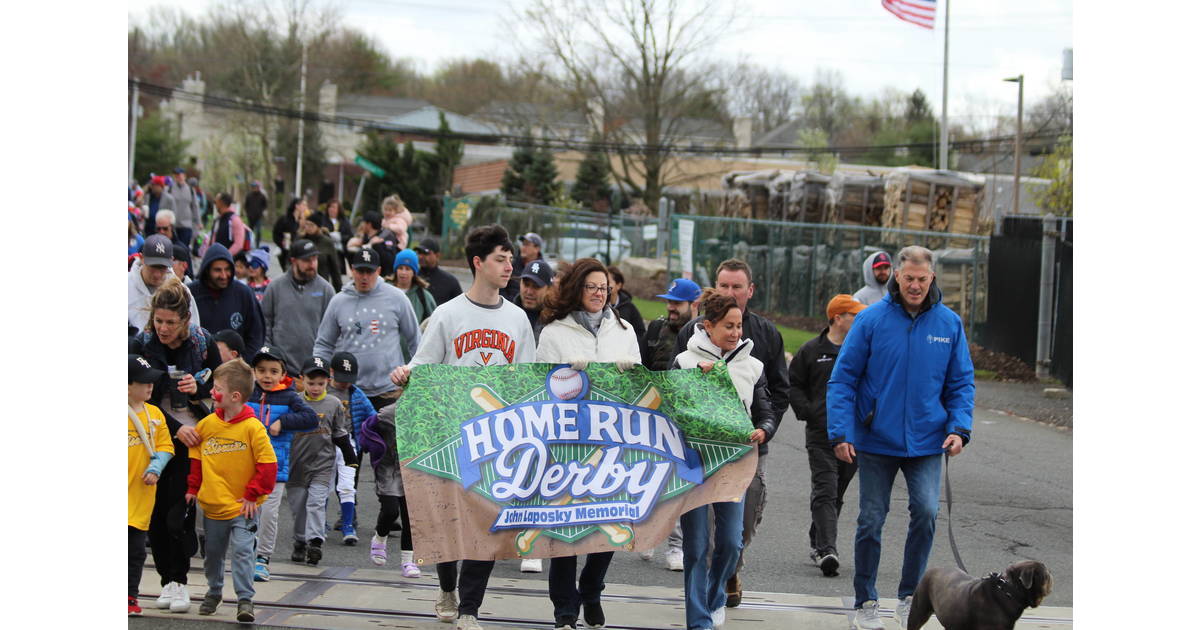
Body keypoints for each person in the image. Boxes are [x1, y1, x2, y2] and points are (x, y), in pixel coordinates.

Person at [390, 224, 537, 630]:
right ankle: (447, 588)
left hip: (498, 440)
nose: (509, 266)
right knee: (449, 522)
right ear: (478, 262)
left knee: (487, 523)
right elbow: (424, 366)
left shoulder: (518, 319)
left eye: (511, 259)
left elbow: (525, 380)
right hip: (451, 434)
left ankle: (470, 608)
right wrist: (405, 373)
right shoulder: (448, 313)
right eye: (500, 259)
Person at [826, 245, 975, 630]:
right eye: (908, 278)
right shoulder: (871, 320)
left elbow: (961, 383)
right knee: (871, 519)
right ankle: (866, 600)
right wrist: (842, 431)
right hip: (876, 439)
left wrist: (959, 429)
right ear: (896, 275)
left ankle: (910, 597)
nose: (914, 285)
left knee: (926, 512)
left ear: (932, 279)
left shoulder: (948, 324)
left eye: (921, 279)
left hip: (928, 440)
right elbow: (844, 378)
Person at [673, 259, 789, 608]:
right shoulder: (689, 342)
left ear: (749, 290)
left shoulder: (765, 337)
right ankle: (705, 604)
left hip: (746, 454)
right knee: (698, 538)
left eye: (737, 287)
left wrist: (763, 429)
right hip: (697, 459)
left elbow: (774, 394)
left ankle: (729, 571)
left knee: (736, 533)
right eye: (724, 286)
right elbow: (672, 394)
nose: (730, 292)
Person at [534, 257, 642, 630]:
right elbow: (540, 391)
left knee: (609, 525)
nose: (598, 294)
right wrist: (566, 378)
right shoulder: (554, 333)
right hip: (567, 446)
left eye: (604, 288)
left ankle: (592, 589)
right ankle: (565, 610)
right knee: (564, 529)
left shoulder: (624, 330)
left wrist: (629, 374)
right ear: (576, 289)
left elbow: (639, 390)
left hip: (613, 444)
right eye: (591, 287)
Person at [128, 278, 221, 614]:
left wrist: (197, 389)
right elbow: (136, 398)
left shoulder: (201, 341)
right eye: (158, 321)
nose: (163, 328)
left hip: (192, 435)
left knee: (178, 511)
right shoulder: (143, 344)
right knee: (155, 512)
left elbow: (217, 382)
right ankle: (167, 579)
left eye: (170, 322)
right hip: (152, 433)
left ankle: (180, 581)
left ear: (184, 320)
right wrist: (174, 428)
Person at [185, 359, 277, 623]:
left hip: (242, 506)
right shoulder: (206, 426)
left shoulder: (253, 428)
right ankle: (214, 592)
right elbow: (197, 459)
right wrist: (192, 488)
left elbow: (268, 465)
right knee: (212, 554)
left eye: (216, 388)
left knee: (243, 551)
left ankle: (245, 599)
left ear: (234, 396)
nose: (212, 392)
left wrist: (252, 494)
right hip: (213, 507)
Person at [789, 294, 866, 578]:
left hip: (854, 436)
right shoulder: (811, 351)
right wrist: (808, 411)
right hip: (821, 435)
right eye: (854, 315)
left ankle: (818, 536)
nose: (859, 320)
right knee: (826, 488)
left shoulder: (862, 351)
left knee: (837, 492)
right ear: (837, 318)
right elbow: (793, 384)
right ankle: (827, 549)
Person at [638, 276, 701, 571]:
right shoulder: (655, 328)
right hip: (655, 418)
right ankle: (650, 532)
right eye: (669, 302)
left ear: (694, 305)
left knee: (681, 484)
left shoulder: (701, 335)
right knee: (652, 479)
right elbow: (643, 368)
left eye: (677, 303)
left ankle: (676, 546)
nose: (671, 307)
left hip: (687, 421)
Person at [245, 345, 320, 583]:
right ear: (253, 372)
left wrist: (283, 421)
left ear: (283, 373)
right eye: (261, 370)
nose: (267, 376)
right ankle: (246, 555)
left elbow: (310, 419)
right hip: (246, 465)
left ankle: (262, 559)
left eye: (273, 371)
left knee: (268, 513)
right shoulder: (247, 392)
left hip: (276, 467)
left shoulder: (289, 396)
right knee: (247, 513)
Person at [313, 247, 421, 410]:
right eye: (360, 271)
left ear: (378, 271)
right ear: (352, 270)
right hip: (348, 389)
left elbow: (415, 340)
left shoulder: (396, 297)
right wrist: (319, 374)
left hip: (390, 390)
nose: (364, 277)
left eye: (369, 272)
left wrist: (416, 374)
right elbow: (324, 344)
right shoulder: (338, 302)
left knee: (388, 435)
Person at [288, 357, 358, 567]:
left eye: (320, 383)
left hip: (322, 464)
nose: (316, 388)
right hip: (296, 465)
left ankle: (315, 541)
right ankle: (300, 540)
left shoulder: (334, 404)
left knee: (317, 502)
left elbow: (339, 431)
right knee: (298, 508)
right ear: (302, 380)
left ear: (328, 380)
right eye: (311, 383)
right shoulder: (294, 402)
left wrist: (349, 455)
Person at [128, 354, 176, 617]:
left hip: (140, 498)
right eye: (143, 382)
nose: (150, 386)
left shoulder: (155, 414)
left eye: (151, 382)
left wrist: (156, 467)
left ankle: (130, 596)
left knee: (135, 553)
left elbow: (166, 446)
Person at [358, 400, 421, 577]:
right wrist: (371, 445)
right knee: (391, 511)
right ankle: (379, 537)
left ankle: (408, 560)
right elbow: (367, 428)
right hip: (388, 469)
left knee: (411, 517)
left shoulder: (431, 414)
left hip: (413, 470)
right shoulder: (388, 413)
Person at [262, 239, 337, 377]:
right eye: (307, 260)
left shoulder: (326, 290)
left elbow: (334, 332)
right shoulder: (275, 287)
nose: (312, 264)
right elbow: (265, 326)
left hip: (314, 371)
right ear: (293, 261)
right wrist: (271, 359)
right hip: (281, 370)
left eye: (315, 259)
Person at [326, 351, 375, 546]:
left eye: (348, 379)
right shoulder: (323, 390)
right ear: (331, 373)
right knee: (324, 485)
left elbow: (371, 417)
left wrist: (364, 439)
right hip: (323, 443)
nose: (344, 383)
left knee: (347, 484)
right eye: (340, 379)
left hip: (348, 442)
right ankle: (319, 524)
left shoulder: (356, 394)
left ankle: (348, 524)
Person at [189, 243, 267, 354]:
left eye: (227, 269)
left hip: (235, 368)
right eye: (218, 270)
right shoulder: (191, 293)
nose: (224, 275)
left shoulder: (244, 294)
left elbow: (256, 336)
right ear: (207, 270)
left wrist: (244, 363)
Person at [128, 234, 200, 335]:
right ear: (141, 258)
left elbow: (194, 333)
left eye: (162, 267)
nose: (157, 274)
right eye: (153, 266)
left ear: (171, 260)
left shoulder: (181, 292)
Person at [391, 249, 438, 337]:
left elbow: (434, 325)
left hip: (413, 350)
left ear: (414, 272)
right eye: (400, 268)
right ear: (395, 270)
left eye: (408, 269)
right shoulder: (385, 291)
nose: (403, 272)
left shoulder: (424, 296)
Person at [299, 215, 343, 292]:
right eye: (307, 224)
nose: (308, 227)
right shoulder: (300, 240)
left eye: (311, 225)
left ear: (318, 227)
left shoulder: (327, 242)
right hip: (301, 284)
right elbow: (291, 261)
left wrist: (339, 291)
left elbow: (335, 269)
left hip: (320, 286)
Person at [414, 237, 463, 305]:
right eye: (419, 253)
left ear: (437, 255)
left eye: (425, 253)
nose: (421, 256)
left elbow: (459, 307)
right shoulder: (413, 277)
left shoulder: (450, 281)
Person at [607, 264, 647, 346]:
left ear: (619, 285)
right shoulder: (598, 306)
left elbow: (640, 333)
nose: (604, 285)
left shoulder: (629, 307)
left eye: (608, 282)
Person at [517, 258, 553, 342]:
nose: (529, 292)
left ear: (549, 289)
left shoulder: (556, 319)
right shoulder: (508, 313)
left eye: (536, 286)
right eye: (526, 284)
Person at [503, 231, 545, 303]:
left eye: (527, 244)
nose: (523, 247)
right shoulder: (511, 264)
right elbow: (500, 287)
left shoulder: (544, 270)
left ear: (537, 248)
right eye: (523, 244)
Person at [169, 167, 203, 254]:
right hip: (173, 225)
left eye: (180, 175)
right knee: (172, 249)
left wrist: (198, 222)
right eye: (176, 175)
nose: (178, 177)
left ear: (184, 176)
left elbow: (195, 207)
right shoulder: (170, 189)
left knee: (184, 249)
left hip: (186, 225)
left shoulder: (191, 190)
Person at [273, 197, 308, 271]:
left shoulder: (303, 220)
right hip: (286, 253)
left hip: (298, 253)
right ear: (297, 206)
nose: (306, 207)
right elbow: (276, 233)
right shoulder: (285, 219)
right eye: (304, 205)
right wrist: (281, 243)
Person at [208, 192, 247, 257]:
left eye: (216, 201)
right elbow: (213, 239)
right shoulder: (218, 219)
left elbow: (239, 244)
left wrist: (225, 256)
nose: (215, 203)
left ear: (221, 203)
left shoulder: (235, 220)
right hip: (216, 258)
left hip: (229, 260)